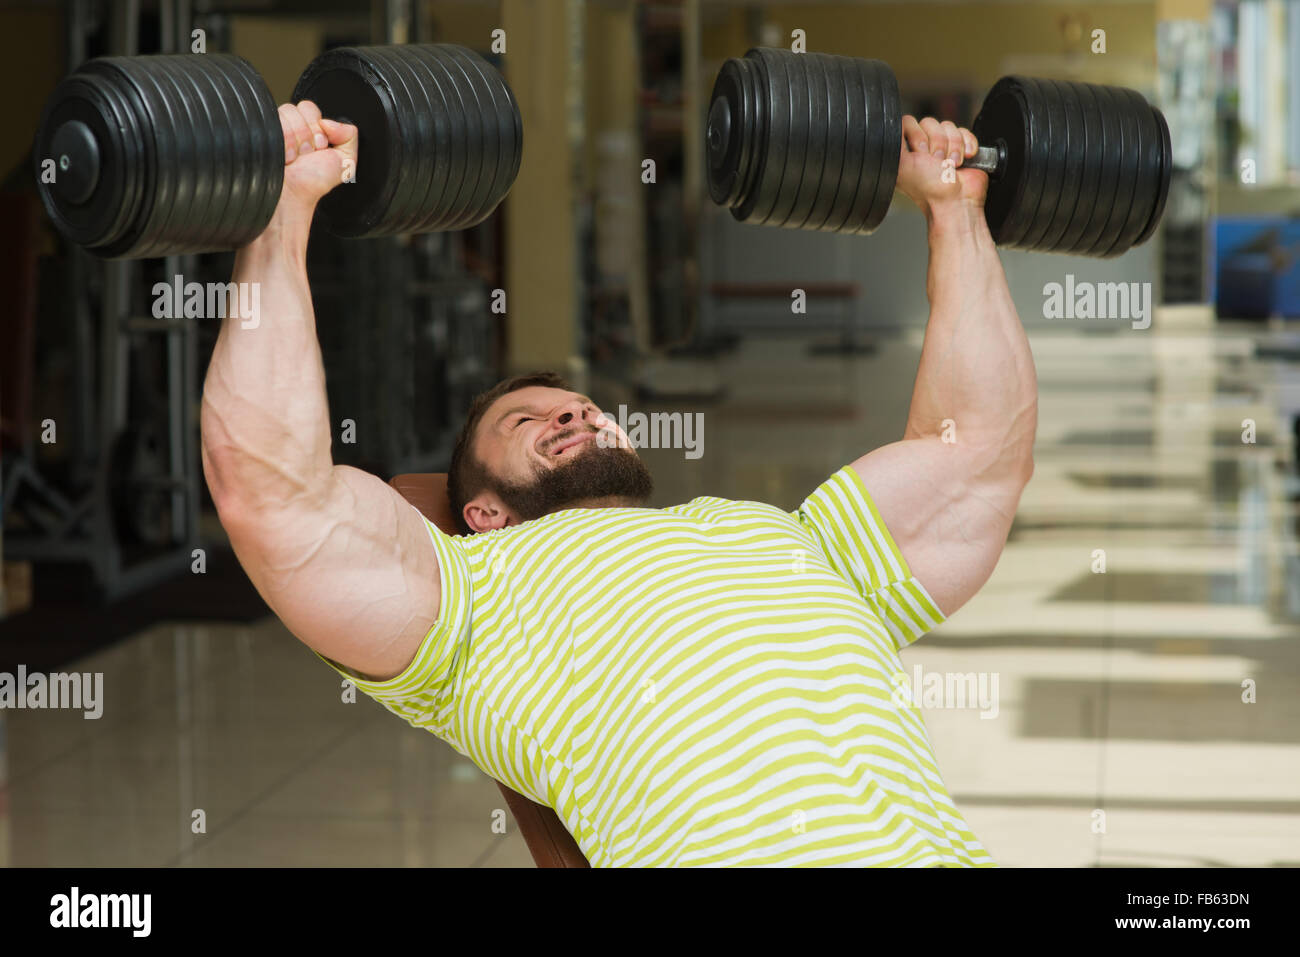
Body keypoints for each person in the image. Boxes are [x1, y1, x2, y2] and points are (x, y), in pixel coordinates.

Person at [201, 101, 1036, 867]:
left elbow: (980, 452)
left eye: (576, 405)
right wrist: (282, 212)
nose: (568, 413)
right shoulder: (466, 601)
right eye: (525, 422)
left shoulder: (795, 537)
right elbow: (277, 495)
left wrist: (956, 210)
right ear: (481, 511)